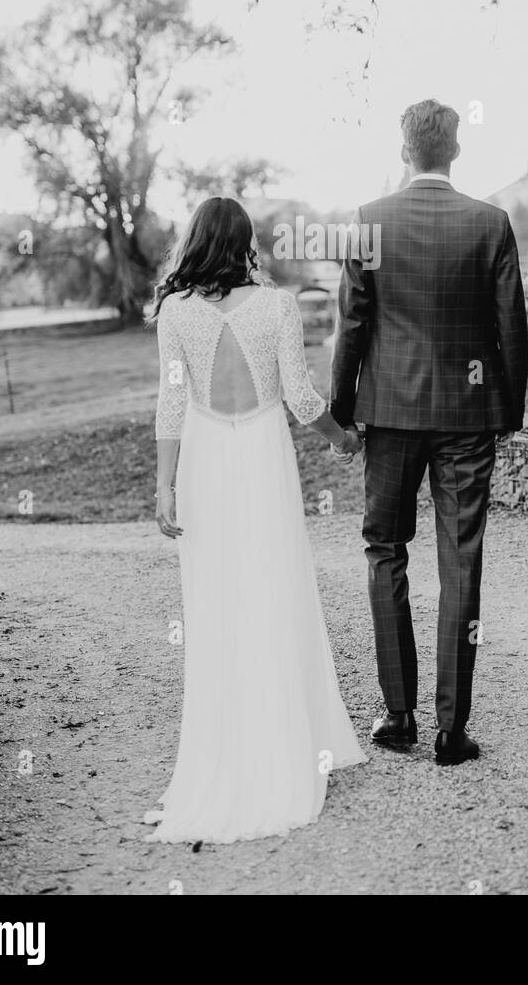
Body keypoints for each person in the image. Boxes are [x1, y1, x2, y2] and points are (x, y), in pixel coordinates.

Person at [144, 197, 366, 844]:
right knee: (275, 589)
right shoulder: (276, 305)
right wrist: (341, 438)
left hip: (206, 465)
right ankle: (288, 744)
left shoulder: (176, 313)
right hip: (262, 457)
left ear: (194, 242)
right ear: (245, 243)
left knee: (218, 605)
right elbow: (299, 397)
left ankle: (226, 755)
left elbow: (172, 401)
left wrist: (164, 485)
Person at [331, 99, 528, 765]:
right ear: (455, 151)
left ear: (404, 150)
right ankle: (452, 729)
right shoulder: (491, 224)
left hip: (389, 416)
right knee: (461, 561)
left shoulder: (368, 223)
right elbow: (512, 330)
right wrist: (509, 412)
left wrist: (341, 407)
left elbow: (352, 326)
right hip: (469, 417)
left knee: (385, 551)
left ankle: (398, 717)